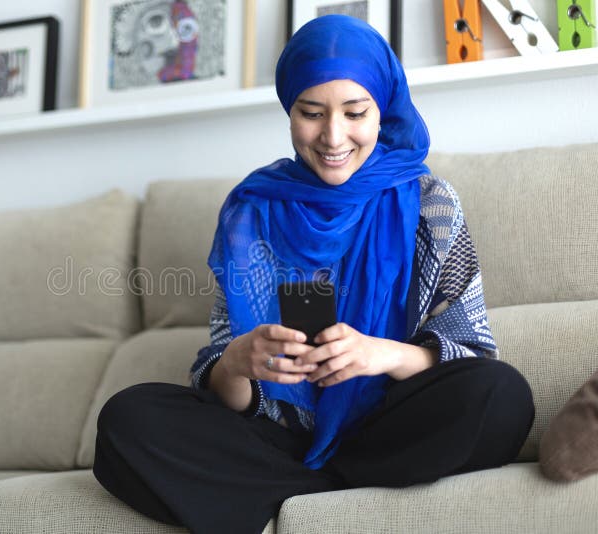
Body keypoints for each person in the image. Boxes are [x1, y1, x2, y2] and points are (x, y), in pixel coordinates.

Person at [93, 14, 535, 534]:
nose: (333, 135)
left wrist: (379, 353)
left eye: (355, 112)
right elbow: (226, 389)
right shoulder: (251, 212)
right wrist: (236, 362)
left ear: (382, 110)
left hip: (391, 422)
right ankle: (334, 491)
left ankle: (278, 495)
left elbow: (473, 350)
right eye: (311, 112)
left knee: (501, 395)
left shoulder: (429, 204)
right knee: (126, 420)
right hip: (275, 433)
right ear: (288, 111)